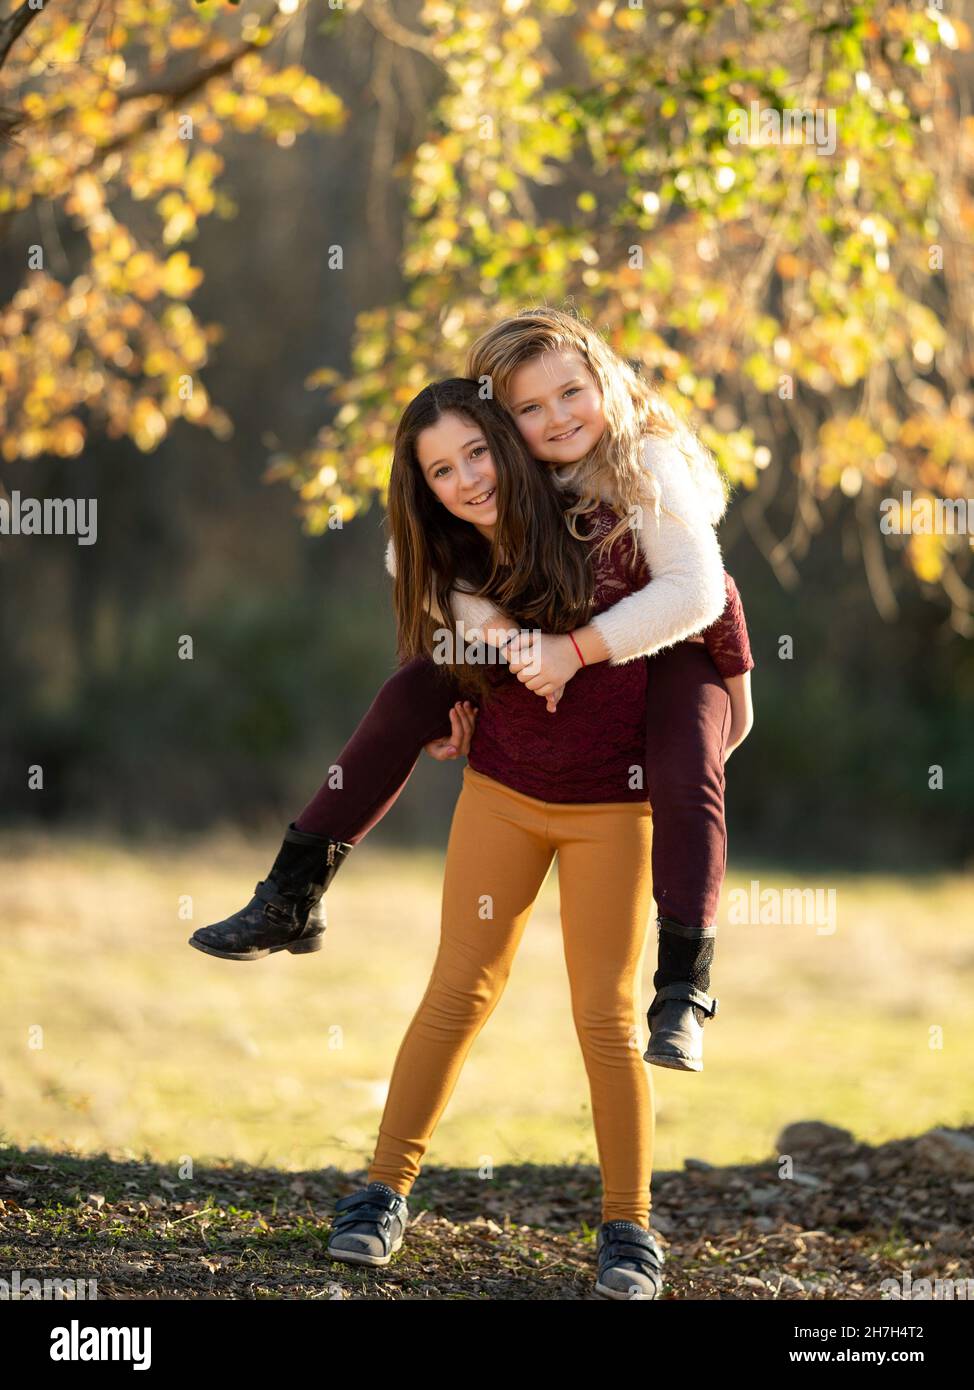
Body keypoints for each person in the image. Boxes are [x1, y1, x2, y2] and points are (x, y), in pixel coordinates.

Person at [189, 305, 754, 1074]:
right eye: (528, 408)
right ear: (498, 420)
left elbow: (696, 593)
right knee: (413, 689)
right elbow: (408, 560)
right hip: (554, 650)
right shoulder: (507, 472)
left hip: (674, 646)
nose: (556, 419)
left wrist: (570, 652)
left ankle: (684, 990)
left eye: (571, 393)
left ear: (605, 381)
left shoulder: (645, 457)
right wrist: (508, 645)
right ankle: (292, 894)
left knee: (689, 772)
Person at [327, 377, 674, 1297]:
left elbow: (708, 612)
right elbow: (430, 612)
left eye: (478, 452)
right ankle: (380, 1193)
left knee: (605, 1016)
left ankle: (630, 1229)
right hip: (503, 794)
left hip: (615, 809)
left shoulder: (625, 512)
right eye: (444, 468)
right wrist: (458, 708)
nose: (469, 477)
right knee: (458, 990)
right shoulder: (460, 549)